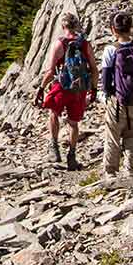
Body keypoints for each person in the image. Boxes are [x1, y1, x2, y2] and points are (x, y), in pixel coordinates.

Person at [39, 12, 97, 170]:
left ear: (63, 26)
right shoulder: (84, 44)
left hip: (61, 86)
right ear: (76, 25)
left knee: (53, 113)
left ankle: (54, 149)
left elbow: (50, 71)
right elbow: (93, 68)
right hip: (79, 89)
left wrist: (41, 88)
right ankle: (71, 156)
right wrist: (93, 89)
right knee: (73, 123)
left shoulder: (59, 44)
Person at [99, 11, 133, 177]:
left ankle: (111, 172)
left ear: (113, 29)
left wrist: (107, 96)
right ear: (131, 27)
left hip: (118, 102)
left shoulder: (111, 50)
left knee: (113, 137)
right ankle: (129, 170)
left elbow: (106, 81)